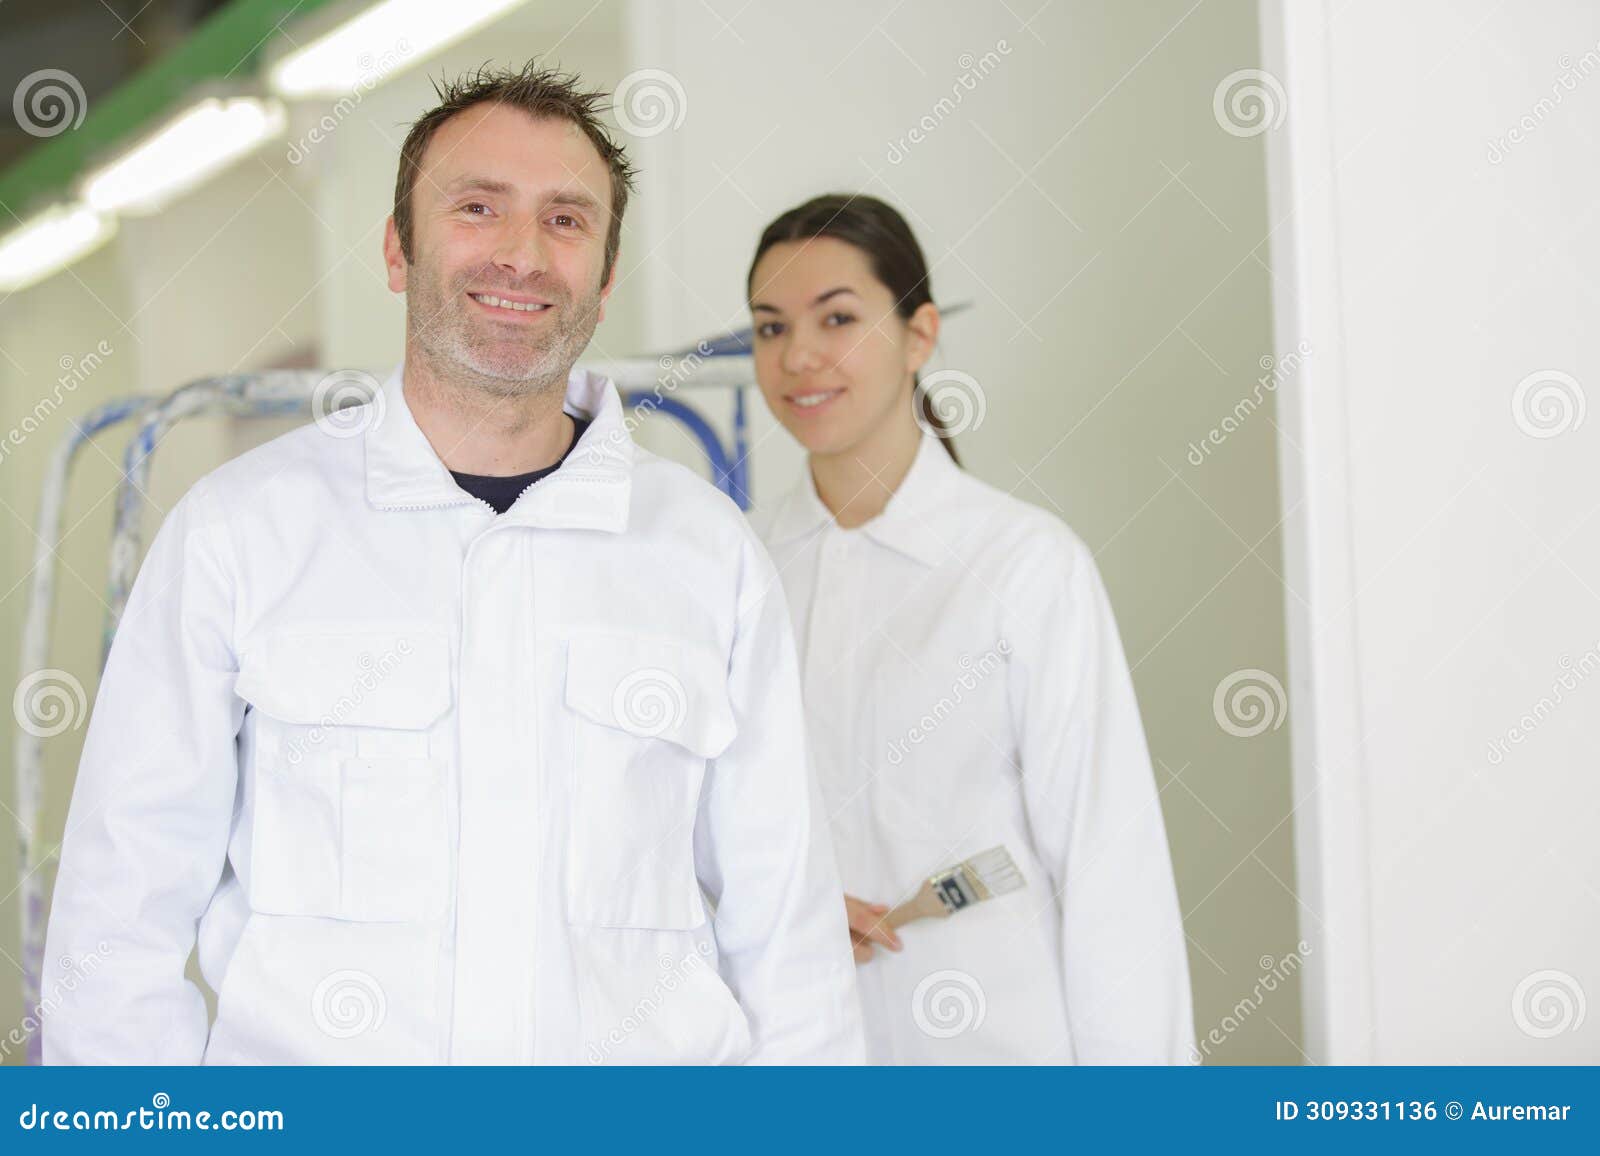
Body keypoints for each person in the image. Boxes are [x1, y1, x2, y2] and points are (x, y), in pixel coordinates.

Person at [42, 65, 863, 1065]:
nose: (522, 254)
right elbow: (118, 918)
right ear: (398, 248)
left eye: (566, 221)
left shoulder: (706, 556)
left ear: (604, 279)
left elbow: (790, 935)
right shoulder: (243, 534)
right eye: (478, 208)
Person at [746, 193, 1192, 1063]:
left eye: (836, 318)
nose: (798, 356)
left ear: (919, 334)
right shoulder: (743, 571)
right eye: (769, 328)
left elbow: (1111, 869)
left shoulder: (1024, 567)